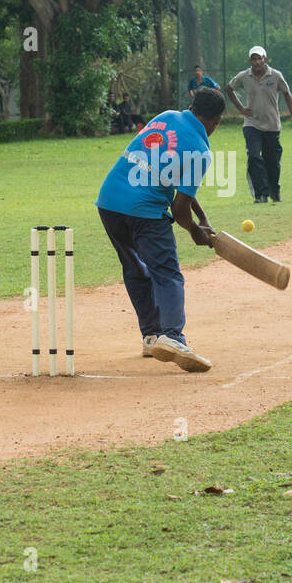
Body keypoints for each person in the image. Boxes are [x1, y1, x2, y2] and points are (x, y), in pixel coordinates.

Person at [95, 87, 226, 373]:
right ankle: (174, 337)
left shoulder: (165, 118)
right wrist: (194, 231)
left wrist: (202, 217)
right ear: (215, 121)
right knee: (166, 273)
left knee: (135, 268)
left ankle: (152, 335)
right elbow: (179, 209)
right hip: (144, 210)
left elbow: (176, 184)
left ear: (192, 106)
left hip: (109, 201)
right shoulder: (201, 151)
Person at [224, 45, 292, 203]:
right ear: (250, 60)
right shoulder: (244, 76)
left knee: (272, 161)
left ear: (265, 59)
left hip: (272, 125)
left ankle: (274, 190)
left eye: (259, 58)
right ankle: (260, 194)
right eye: (254, 59)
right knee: (253, 156)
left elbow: (287, 93)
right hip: (252, 124)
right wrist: (240, 108)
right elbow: (229, 89)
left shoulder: (275, 75)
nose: (257, 61)